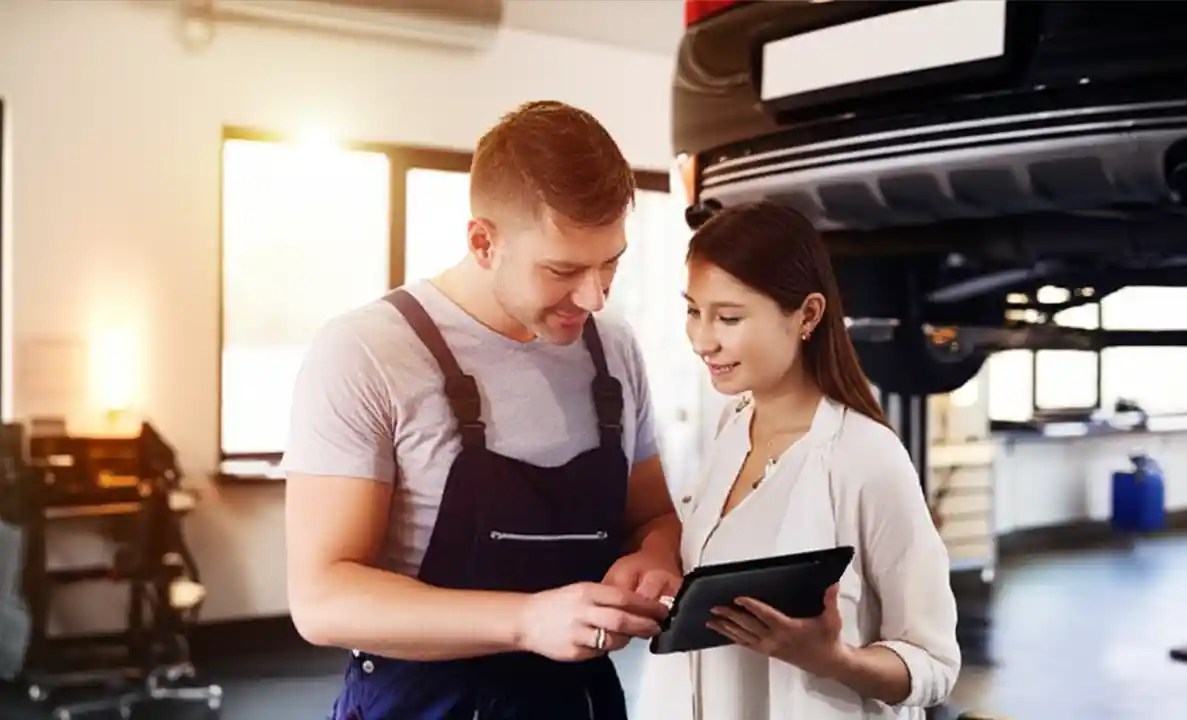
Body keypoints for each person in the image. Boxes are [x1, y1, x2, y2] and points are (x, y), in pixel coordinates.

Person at [282, 100, 683, 720]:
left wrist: (655, 557)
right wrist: (525, 621)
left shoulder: (615, 351)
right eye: (563, 269)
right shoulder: (366, 352)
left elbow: (653, 515)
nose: (595, 295)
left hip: (579, 703)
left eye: (611, 264)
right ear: (482, 241)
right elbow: (322, 597)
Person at [640, 200, 960, 720]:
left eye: (729, 317)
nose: (702, 338)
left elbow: (934, 664)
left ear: (808, 314)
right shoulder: (732, 426)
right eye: (694, 311)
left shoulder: (864, 456)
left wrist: (831, 659)